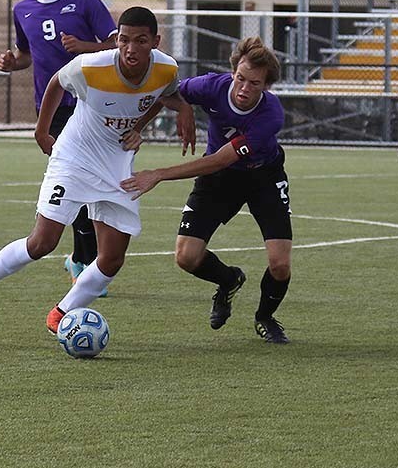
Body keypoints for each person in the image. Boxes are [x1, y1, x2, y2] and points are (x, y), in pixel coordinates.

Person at [0, 7, 195, 333]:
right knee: (42, 242)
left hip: (117, 163)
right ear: (116, 39)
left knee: (112, 259)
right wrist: (42, 130)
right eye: (124, 40)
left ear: (155, 41)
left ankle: (61, 314)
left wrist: (178, 110)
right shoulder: (92, 66)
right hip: (75, 156)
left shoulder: (166, 69)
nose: (130, 49)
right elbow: (57, 82)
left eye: (140, 41)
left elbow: (162, 95)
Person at [119, 37, 294, 344]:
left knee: (280, 264)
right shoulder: (211, 86)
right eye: (240, 78)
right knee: (186, 257)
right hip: (220, 180)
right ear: (232, 72)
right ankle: (229, 280)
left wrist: (158, 174)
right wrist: (155, 120)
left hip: (262, 177)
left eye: (254, 83)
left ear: (266, 86)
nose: (243, 88)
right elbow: (166, 92)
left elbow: (217, 160)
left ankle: (265, 317)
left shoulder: (271, 115)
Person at [0, 0, 119, 289]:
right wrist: (10, 63)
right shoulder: (23, 10)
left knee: (95, 184)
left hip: (92, 106)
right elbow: (27, 54)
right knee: (78, 184)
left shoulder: (84, 1)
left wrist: (86, 47)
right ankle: (84, 262)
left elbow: (117, 46)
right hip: (52, 110)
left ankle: (82, 259)